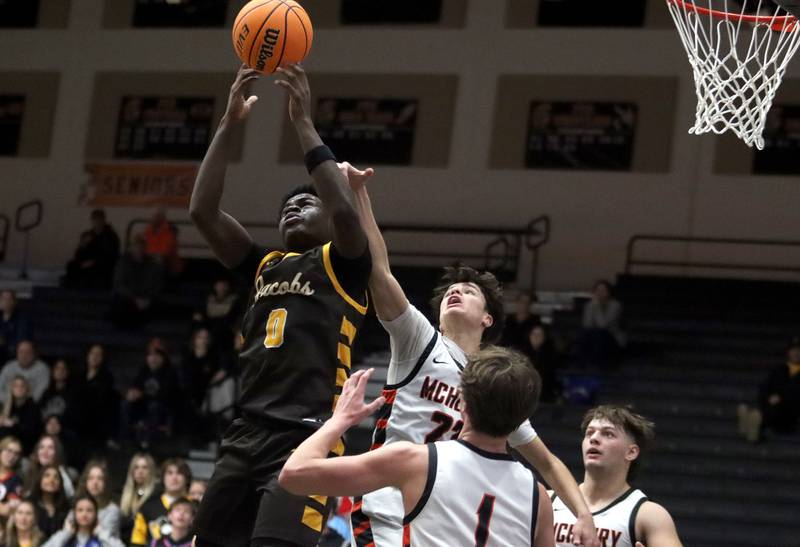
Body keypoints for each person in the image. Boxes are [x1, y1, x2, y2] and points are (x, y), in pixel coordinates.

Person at [345, 166, 599, 547]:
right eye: (451, 290)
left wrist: (583, 515)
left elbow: (546, 461)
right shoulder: (420, 340)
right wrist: (358, 194)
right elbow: (378, 270)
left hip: (441, 514)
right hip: (388, 505)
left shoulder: (492, 383)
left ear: (487, 318)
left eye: (469, 291)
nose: (456, 293)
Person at [189, 63, 371, 547]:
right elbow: (202, 211)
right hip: (245, 433)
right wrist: (229, 124)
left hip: (308, 437)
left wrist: (302, 122)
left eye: (306, 203)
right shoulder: (264, 265)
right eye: (285, 207)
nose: (292, 206)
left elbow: (346, 212)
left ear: (329, 222)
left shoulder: (344, 265)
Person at [279, 349, 554, 546]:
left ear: (462, 404)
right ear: (521, 420)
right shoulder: (538, 496)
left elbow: (294, 474)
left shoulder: (418, 461)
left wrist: (338, 421)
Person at [552, 405, 682, 547]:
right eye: (589, 433)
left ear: (631, 452)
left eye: (608, 434)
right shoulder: (548, 500)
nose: (594, 438)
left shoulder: (649, 515)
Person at [738, 336, 800, 442]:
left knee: (780, 406)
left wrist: (781, 397)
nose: (796, 353)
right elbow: (764, 387)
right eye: (793, 350)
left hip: (790, 414)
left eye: (799, 350)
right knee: (769, 402)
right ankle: (752, 426)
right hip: (772, 409)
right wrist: (768, 398)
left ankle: (753, 422)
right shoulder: (780, 369)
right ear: (788, 352)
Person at [121, 342, 181, 447]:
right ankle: (125, 438)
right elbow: (136, 386)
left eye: (156, 356)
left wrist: (142, 395)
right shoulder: (144, 370)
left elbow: (166, 395)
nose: (153, 359)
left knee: (154, 406)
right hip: (143, 405)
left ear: (163, 358)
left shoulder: (170, 372)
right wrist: (132, 393)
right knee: (125, 404)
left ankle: (148, 440)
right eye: (150, 355)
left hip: (163, 407)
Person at [130, 458, 191, 546]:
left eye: (179, 473)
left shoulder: (197, 507)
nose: (174, 477)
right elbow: (137, 542)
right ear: (162, 478)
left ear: (187, 478)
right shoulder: (147, 507)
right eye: (170, 473)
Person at [71, 345, 119, 453]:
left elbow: (100, 399)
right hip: (78, 421)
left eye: (98, 354)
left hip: (96, 423)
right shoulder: (79, 375)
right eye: (92, 353)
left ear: (103, 358)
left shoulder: (106, 377)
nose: (95, 357)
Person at [109, 235, 163, 329]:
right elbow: (119, 285)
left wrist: (147, 298)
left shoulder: (151, 264)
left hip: (144, 299)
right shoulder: (123, 263)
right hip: (127, 299)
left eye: (141, 246)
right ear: (131, 248)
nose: (139, 249)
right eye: (136, 246)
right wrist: (134, 298)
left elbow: (156, 285)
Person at [63, 209, 121, 290]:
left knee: (99, 269)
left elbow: (111, 255)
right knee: (71, 266)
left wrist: (94, 262)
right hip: (87, 263)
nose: (97, 222)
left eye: (99, 219)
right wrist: (82, 245)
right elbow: (78, 255)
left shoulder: (110, 236)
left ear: (103, 220)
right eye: (94, 219)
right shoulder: (88, 235)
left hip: (103, 264)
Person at [41, 494, 125, 547]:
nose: (84, 514)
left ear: (96, 515)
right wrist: (66, 533)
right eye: (80, 510)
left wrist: (101, 532)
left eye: (89, 510)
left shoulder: (101, 537)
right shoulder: (66, 537)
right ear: (74, 514)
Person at [66, 461, 120, 538]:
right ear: (86, 482)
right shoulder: (77, 506)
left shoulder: (112, 510)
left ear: (105, 483)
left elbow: (103, 539)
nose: (95, 482)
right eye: (91, 478)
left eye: (100, 478)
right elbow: (67, 532)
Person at [579, 280, 626, 367]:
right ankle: (583, 364)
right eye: (598, 291)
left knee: (599, 334)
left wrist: (596, 308)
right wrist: (592, 307)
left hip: (612, 338)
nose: (600, 293)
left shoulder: (615, 305)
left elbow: (603, 325)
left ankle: (598, 365)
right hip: (593, 337)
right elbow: (586, 325)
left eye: (603, 291)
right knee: (585, 334)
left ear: (609, 292)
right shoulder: (590, 305)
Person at [118, 454, 157, 543]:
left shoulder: (155, 496)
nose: (140, 471)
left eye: (144, 468)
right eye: (136, 467)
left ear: (151, 471)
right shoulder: (125, 495)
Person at [522, 324, 562, 403]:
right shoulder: (522, 352)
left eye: (539, 334)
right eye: (534, 334)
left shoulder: (550, 354)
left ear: (544, 337)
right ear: (529, 336)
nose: (536, 337)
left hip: (544, 389)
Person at [29, 466, 70, 540]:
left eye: (56, 477)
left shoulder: (65, 507)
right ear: (39, 480)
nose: (51, 480)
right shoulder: (30, 504)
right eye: (47, 476)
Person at [0, 378, 40, 452]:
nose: (19, 388)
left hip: (24, 448)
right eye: (16, 386)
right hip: (6, 446)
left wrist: (13, 424)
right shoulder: (8, 405)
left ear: (27, 389)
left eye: (22, 386)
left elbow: (31, 433)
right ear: (11, 388)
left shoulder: (32, 407)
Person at [143, 207, 182, 276]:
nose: (154, 218)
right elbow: (144, 246)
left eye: (156, 216)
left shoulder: (170, 231)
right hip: (150, 259)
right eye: (153, 216)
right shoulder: (148, 231)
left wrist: (151, 255)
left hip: (167, 263)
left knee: (158, 262)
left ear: (162, 217)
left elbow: (166, 251)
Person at [39, 360, 74, 429]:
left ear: (67, 372)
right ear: (53, 371)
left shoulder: (72, 394)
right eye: (57, 368)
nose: (60, 371)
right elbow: (40, 413)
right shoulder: (47, 393)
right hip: (46, 429)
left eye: (63, 369)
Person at [0, 290, 32, 362]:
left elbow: (21, 340)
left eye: (8, 299)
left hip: (12, 354)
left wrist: (4, 342)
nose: (6, 302)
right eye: (3, 299)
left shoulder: (22, 318)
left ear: (14, 302)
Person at [0, 436, 24, 520]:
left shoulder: (16, 480)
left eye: (16, 453)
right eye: (9, 451)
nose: (12, 456)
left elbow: (7, 510)